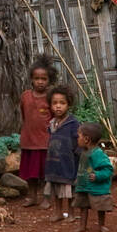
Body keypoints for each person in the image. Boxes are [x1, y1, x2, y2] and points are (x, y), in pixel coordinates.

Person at [19, 60, 54, 207]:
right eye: (37, 79)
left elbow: (55, 118)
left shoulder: (51, 97)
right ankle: (32, 196)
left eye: (43, 79)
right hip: (28, 141)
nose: (40, 82)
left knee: (47, 174)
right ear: (31, 80)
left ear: (49, 80)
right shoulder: (25, 96)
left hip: (46, 142)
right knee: (30, 174)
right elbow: (24, 115)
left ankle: (46, 198)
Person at [44, 86, 79, 223]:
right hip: (53, 163)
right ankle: (58, 212)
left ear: (68, 104)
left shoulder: (73, 123)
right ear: (50, 105)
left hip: (68, 162)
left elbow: (78, 143)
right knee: (55, 189)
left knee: (68, 190)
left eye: (62, 103)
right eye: (55, 103)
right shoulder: (52, 124)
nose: (58, 106)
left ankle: (70, 213)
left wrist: (77, 157)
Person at [72, 122, 114, 232]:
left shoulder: (97, 154)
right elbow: (86, 167)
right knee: (83, 206)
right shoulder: (84, 152)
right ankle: (82, 226)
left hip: (96, 187)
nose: (77, 139)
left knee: (100, 206)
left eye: (79, 136)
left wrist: (97, 175)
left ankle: (101, 225)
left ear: (86, 139)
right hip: (83, 185)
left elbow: (108, 169)